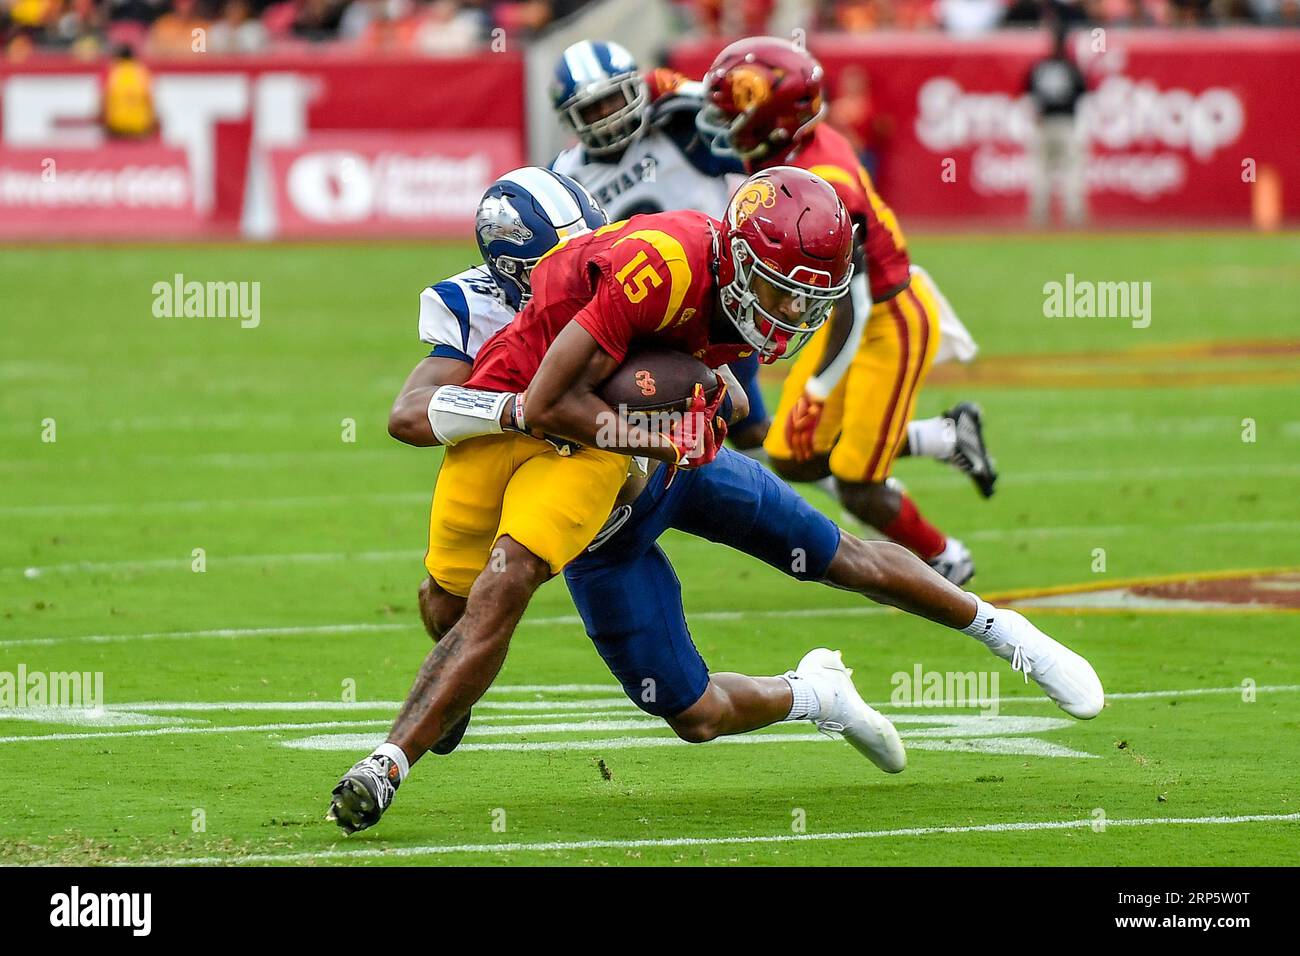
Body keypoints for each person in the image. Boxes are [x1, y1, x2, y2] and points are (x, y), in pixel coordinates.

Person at [327, 165, 854, 833]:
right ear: (511, 266)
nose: (582, 261)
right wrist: (517, 410)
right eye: (559, 252)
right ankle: (446, 699)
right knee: (443, 602)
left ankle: (388, 762)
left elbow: (729, 394)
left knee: (506, 581)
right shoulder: (476, 303)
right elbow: (408, 415)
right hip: (508, 431)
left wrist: (677, 411)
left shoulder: (627, 275)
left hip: (598, 455)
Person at [698, 37, 992, 586]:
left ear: (774, 119)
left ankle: (946, 558)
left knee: (858, 481)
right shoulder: (793, 141)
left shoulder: (825, 184)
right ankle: (943, 438)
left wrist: (817, 391)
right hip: (848, 315)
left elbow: (855, 303)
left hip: (886, 319)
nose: (722, 121)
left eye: (735, 109)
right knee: (789, 453)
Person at [549, 40, 771, 452]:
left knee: (740, 426)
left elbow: (753, 129)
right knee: (658, 436)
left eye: (614, 99)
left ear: (637, 89)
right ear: (571, 118)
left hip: (718, 302)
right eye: (593, 108)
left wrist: (684, 89)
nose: (607, 116)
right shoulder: (565, 175)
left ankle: (778, 505)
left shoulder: (681, 126)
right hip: (640, 319)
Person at [1026, 21, 1089, 228]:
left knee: (1041, 172)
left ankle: (1039, 219)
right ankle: (1074, 218)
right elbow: (1084, 92)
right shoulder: (1071, 67)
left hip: (1044, 122)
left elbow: (1028, 93)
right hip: (1066, 123)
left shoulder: (1040, 67)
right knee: (1071, 171)